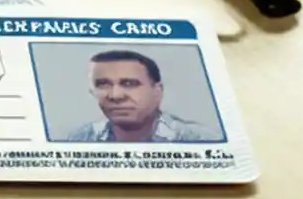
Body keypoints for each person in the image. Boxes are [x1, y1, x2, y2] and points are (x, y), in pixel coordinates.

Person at [66, 49, 214, 143]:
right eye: (103, 84)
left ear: (157, 92)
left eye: (129, 84)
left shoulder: (198, 139)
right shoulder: (80, 138)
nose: (115, 95)